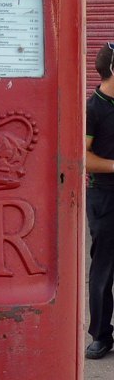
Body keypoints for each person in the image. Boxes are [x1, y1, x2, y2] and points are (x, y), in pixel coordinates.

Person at [86, 41, 114, 358]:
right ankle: (101, 335)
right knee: (103, 271)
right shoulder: (92, 108)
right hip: (104, 197)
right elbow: (84, 158)